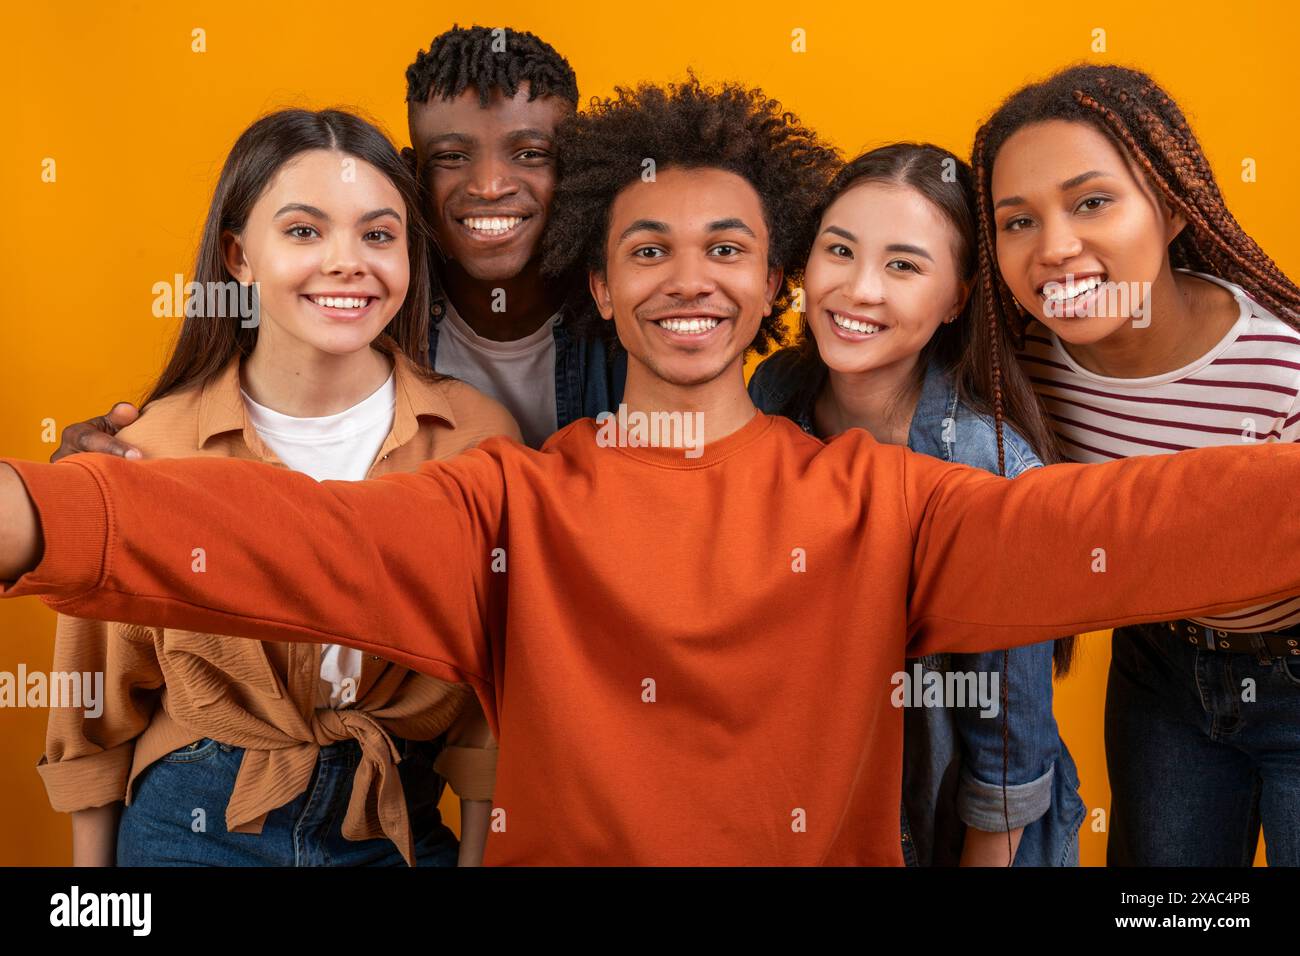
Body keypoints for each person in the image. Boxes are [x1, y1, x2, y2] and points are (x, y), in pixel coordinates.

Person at [5, 75, 1300, 866]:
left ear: (773, 289)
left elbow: (1127, 526)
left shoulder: (878, 502)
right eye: (649, 251)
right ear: (606, 296)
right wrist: (33, 513)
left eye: (728, 246)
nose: (690, 277)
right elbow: (295, 539)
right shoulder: (508, 501)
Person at [39, 108, 519, 867]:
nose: (347, 261)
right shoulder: (150, 448)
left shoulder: (477, 438)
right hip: (193, 823)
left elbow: (495, 700)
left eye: (378, 234)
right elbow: (93, 707)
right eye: (304, 231)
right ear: (238, 257)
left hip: (390, 817)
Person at [971, 63, 1300, 865]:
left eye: (1092, 202)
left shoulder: (1280, 368)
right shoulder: (1021, 367)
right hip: (1162, 672)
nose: (1054, 247)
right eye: (1016, 221)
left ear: (1173, 208)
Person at [48, 24, 626, 460]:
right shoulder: (365, 313)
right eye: (451, 158)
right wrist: (102, 475)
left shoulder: (627, 316)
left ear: (573, 167)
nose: (490, 186)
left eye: (530, 154)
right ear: (411, 178)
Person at [748, 143, 1084, 866]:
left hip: (961, 834)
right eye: (840, 250)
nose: (859, 289)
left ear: (958, 296)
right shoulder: (773, 395)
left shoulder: (987, 471)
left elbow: (1008, 754)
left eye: (903, 265)